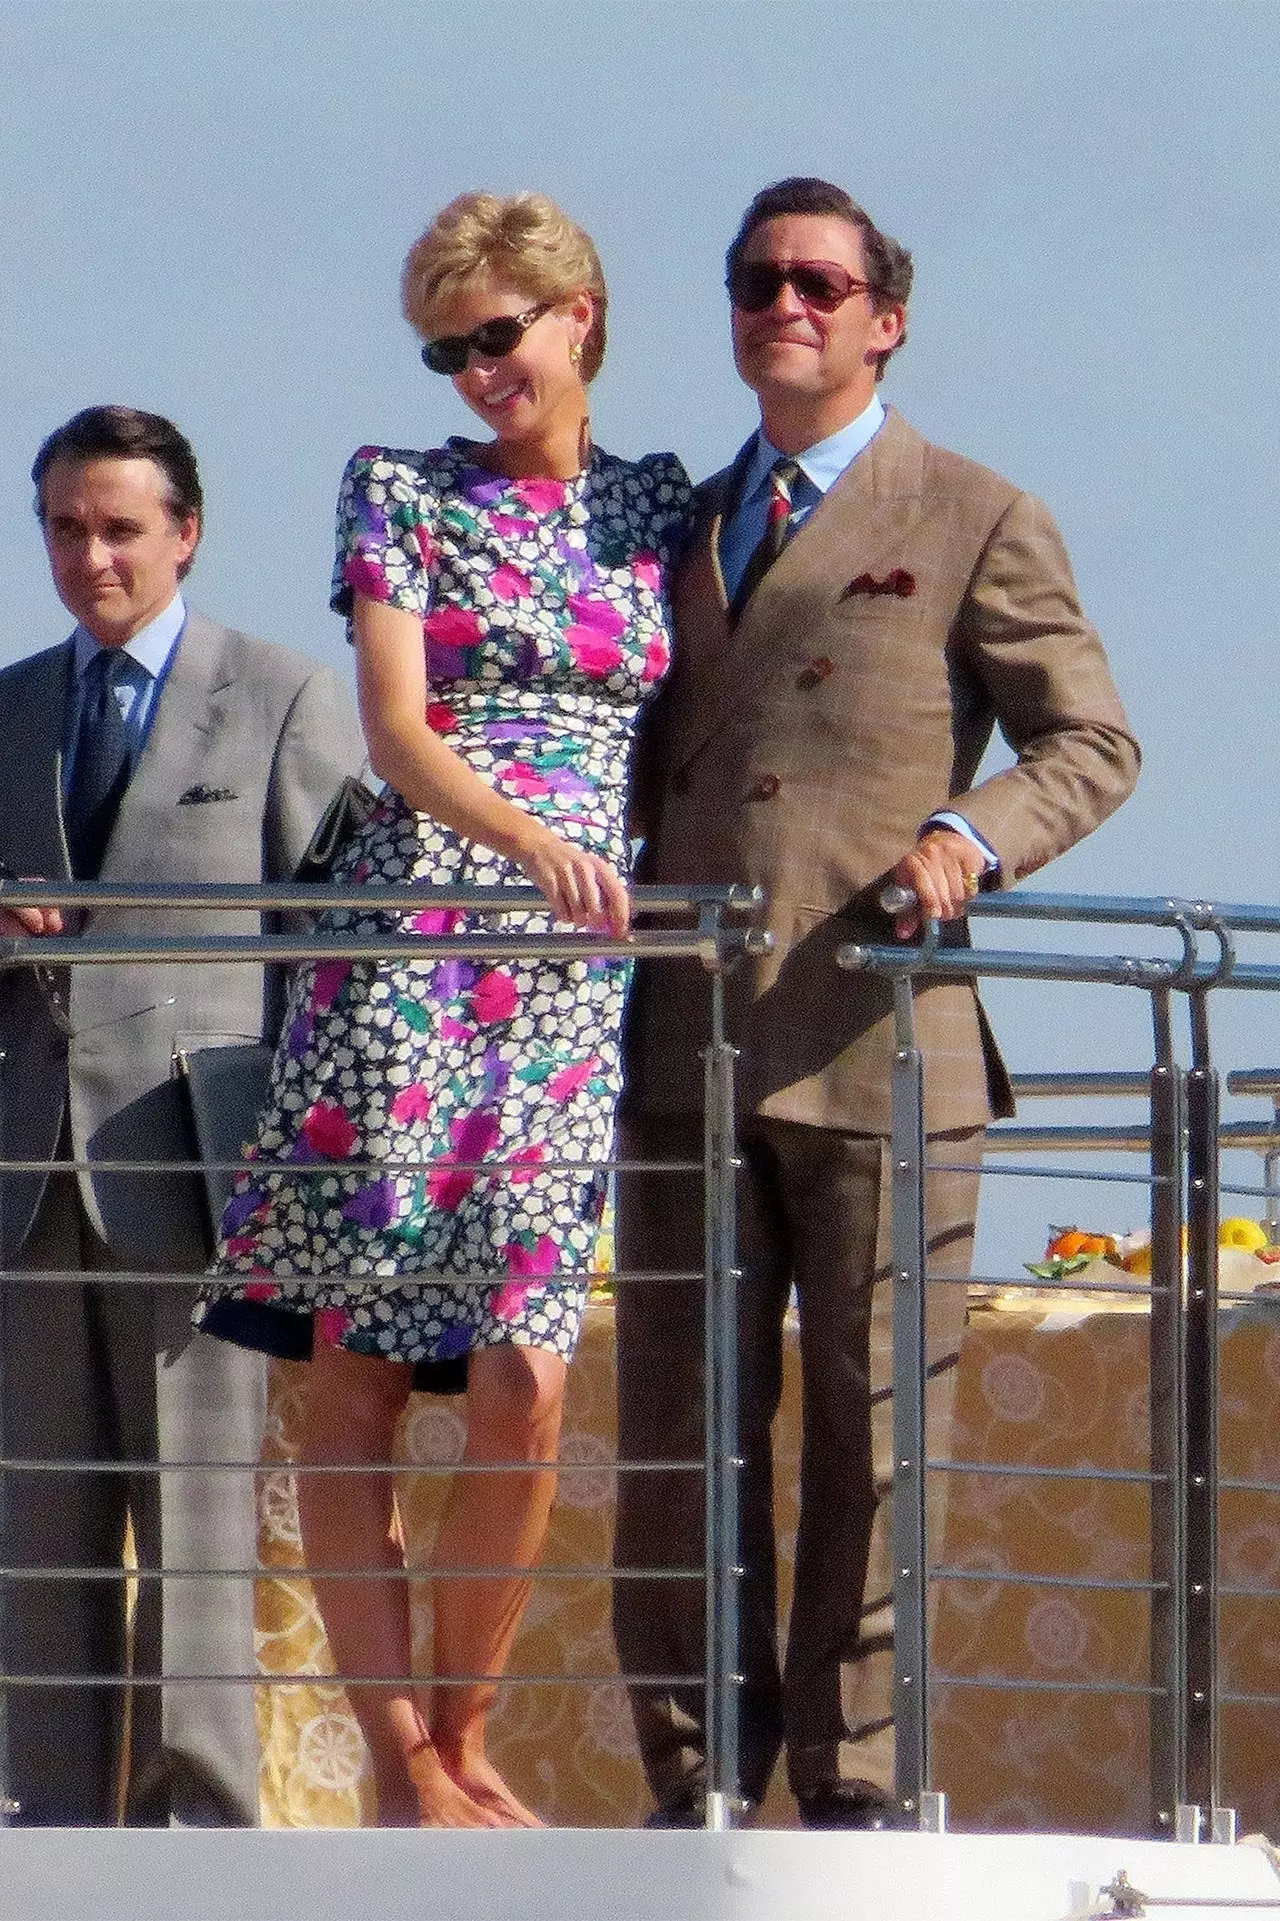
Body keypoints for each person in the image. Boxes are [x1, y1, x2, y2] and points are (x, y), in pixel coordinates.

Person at [612, 177, 1141, 1829]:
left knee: (875, 1439)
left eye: (823, 285)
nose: (791, 305)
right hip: (686, 1040)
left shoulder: (975, 511)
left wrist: (969, 837)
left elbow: (1094, 743)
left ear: (884, 316)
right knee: (680, 1439)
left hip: (881, 1048)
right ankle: (694, 1778)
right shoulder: (677, 525)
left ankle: (853, 1789)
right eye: (761, 281)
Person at [197, 191, 690, 1829]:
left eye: (497, 334)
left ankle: (465, 1739)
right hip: (412, 952)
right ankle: (407, 1764)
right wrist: (532, 840)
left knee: (521, 1379)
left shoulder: (657, 502)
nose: (474, 371)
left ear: (580, 315)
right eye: (445, 346)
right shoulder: (396, 488)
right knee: (355, 1371)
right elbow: (396, 729)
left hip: (568, 986)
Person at [0, 405, 364, 1826]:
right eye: (65, 528)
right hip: (26, 1175)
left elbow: (340, 951)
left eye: (120, 528)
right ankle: (42, 1831)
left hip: (203, 1178)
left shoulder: (277, 692)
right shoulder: (10, 705)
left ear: (186, 534)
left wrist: (323, 1193)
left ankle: (201, 1831)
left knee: (199, 1527)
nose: (92, 556)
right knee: (42, 1535)